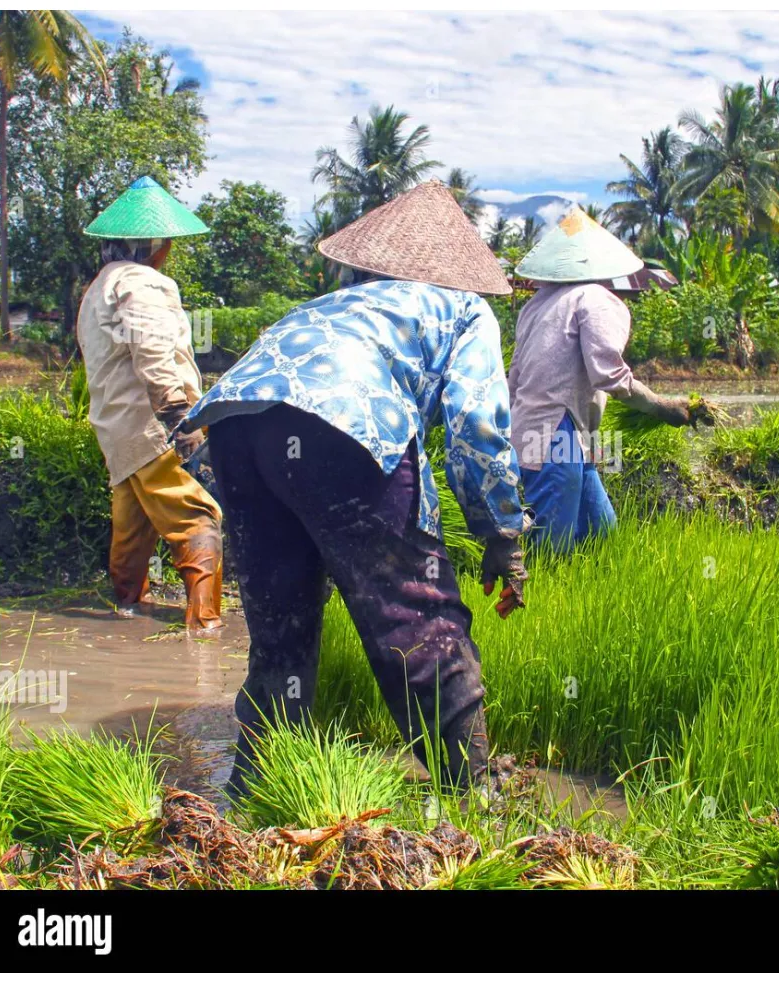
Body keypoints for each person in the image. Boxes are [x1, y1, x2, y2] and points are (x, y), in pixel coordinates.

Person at [180, 180, 531, 793]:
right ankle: (474, 795)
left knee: (279, 626)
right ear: (457, 269)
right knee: (417, 618)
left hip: (237, 427)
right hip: (346, 424)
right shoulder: (464, 308)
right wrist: (502, 532)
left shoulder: (321, 308)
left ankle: (254, 792)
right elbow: (478, 424)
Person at [508, 206, 707, 552]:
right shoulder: (597, 300)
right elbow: (610, 376)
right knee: (553, 548)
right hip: (557, 435)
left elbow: (516, 376)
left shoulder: (537, 303)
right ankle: (542, 596)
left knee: (601, 535)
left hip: (539, 430)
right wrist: (662, 407)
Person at [77, 176, 223, 632]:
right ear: (154, 246)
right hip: (150, 426)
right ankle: (206, 626)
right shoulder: (143, 283)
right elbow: (154, 350)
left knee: (133, 524)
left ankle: (127, 608)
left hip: (117, 432)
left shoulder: (98, 287)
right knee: (197, 517)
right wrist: (179, 417)